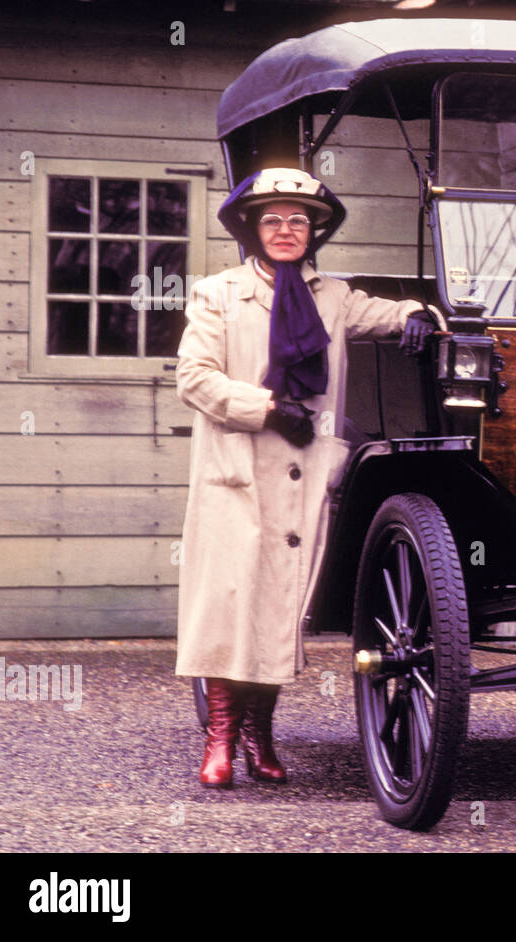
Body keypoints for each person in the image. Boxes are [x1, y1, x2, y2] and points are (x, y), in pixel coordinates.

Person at [175, 167, 444, 788]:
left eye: (300, 220)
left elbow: (392, 311)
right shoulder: (218, 293)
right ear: (251, 228)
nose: (286, 230)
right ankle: (220, 737)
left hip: (300, 481)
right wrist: (269, 407)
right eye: (273, 219)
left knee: (274, 608)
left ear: (316, 230)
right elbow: (194, 378)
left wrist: (420, 314)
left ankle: (259, 736)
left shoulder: (334, 295)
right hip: (236, 474)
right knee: (228, 606)